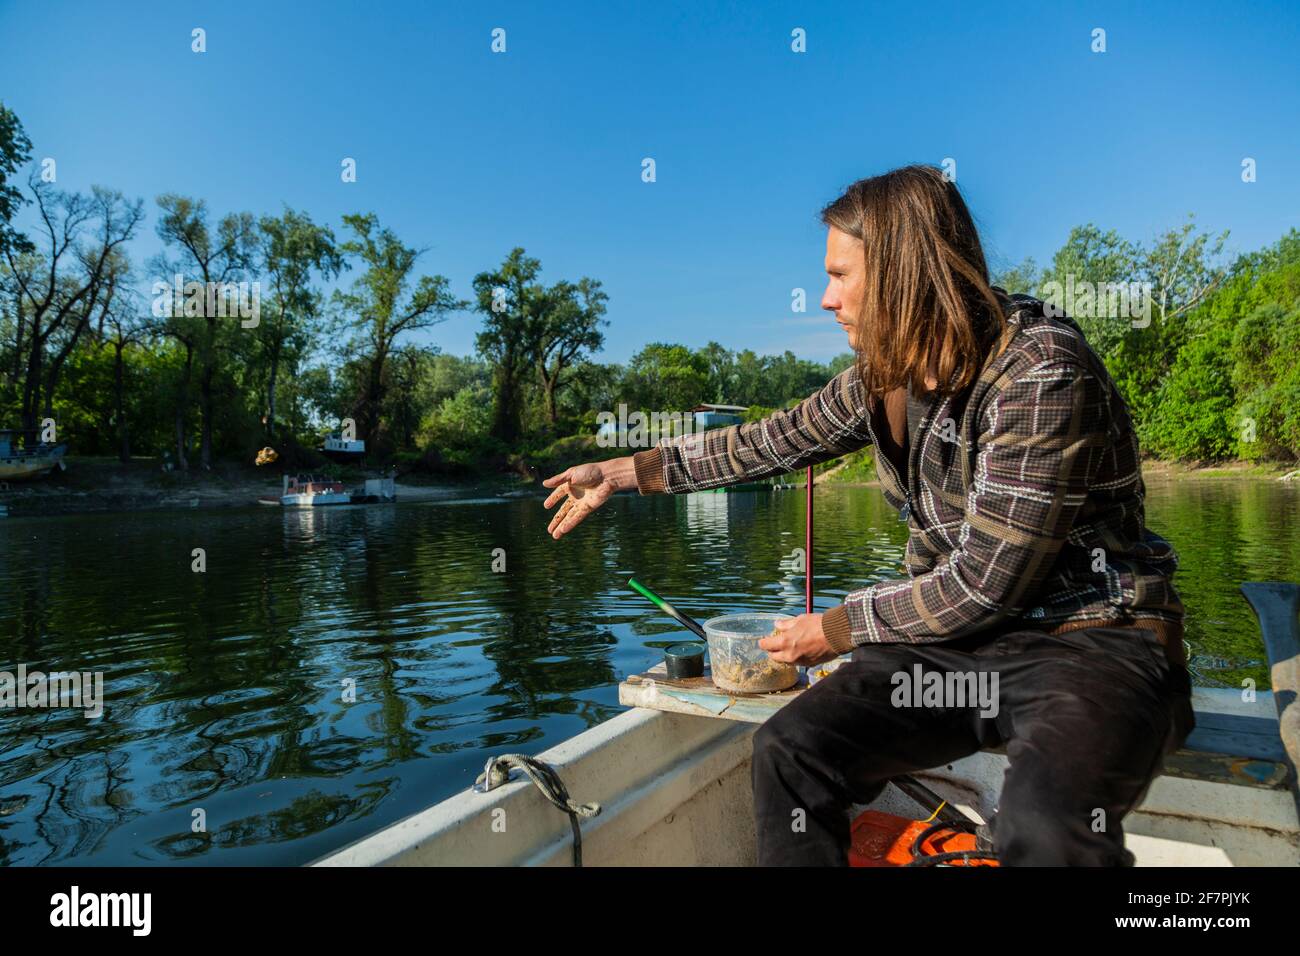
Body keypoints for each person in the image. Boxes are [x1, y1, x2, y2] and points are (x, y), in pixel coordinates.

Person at [541, 165, 1194, 866]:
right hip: (959, 652)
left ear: (906, 272)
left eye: (840, 275)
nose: (825, 299)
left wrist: (838, 627)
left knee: (1045, 829)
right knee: (790, 750)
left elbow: (983, 584)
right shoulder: (884, 375)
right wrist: (617, 471)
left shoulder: (1039, 370)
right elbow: (767, 441)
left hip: (1091, 642)